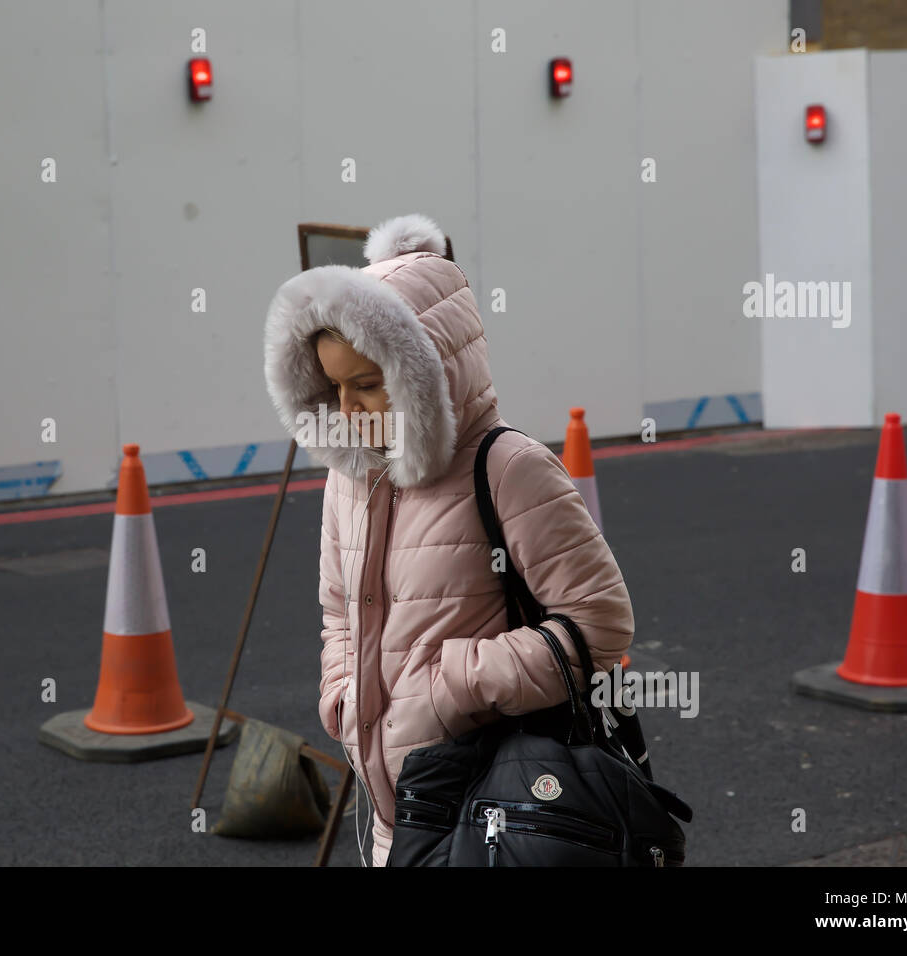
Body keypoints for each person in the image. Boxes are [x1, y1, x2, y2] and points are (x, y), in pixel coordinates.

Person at [262, 212, 635, 866]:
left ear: (425, 371)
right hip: (390, 820)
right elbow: (336, 611)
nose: (347, 410)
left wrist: (448, 686)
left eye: (369, 385)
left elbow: (600, 623)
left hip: (498, 807)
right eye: (334, 387)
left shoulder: (508, 467)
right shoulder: (351, 476)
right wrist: (344, 701)